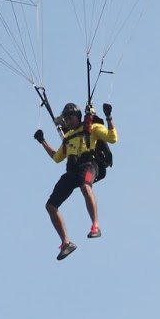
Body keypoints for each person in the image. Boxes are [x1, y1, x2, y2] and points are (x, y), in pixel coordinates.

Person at [33, 101, 117, 260]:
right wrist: (42, 141)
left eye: (71, 118)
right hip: (72, 170)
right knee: (50, 205)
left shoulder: (92, 128)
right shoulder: (68, 138)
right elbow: (57, 157)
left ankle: (95, 226)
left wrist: (108, 117)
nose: (68, 121)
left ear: (78, 117)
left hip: (88, 165)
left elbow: (112, 138)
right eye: (66, 119)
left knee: (85, 187)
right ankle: (66, 243)